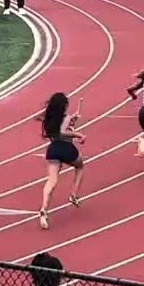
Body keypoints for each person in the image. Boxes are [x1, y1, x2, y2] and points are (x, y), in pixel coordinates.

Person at [38, 92, 86, 230]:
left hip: (53, 149)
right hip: (66, 149)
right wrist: (78, 134)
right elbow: (62, 132)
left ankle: (44, 208)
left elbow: (39, 118)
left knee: (51, 181)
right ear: (64, 105)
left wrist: (72, 122)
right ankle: (74, 194)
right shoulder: (65, 117)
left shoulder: (50, 117)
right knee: (80, 166)